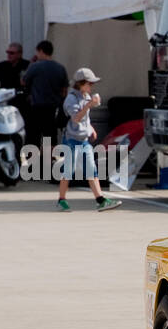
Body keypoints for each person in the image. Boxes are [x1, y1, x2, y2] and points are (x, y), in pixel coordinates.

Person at [58, 67, 120, 212]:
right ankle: (62, 199)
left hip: (84, 140)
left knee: (91, 170)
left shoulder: (85, 96)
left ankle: (100, 199)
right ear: (81, 83)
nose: (91, 86)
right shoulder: (71, 98)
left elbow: (85, 119)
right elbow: (76, 118)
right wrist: (88, 105)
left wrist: (90, 128)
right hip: (71, 140)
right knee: (68, 172)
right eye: (89, 83)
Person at [22, 40, 69, 147]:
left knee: (33, 138)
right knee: (50, 137)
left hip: (36, 108)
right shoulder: (60, 68)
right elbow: (64, 90)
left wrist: (30, 64)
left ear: (41, 51)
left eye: (37, 52)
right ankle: (49, 162)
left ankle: (34, 163)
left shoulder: (35, 66)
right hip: (52, 109)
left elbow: (23, 81)